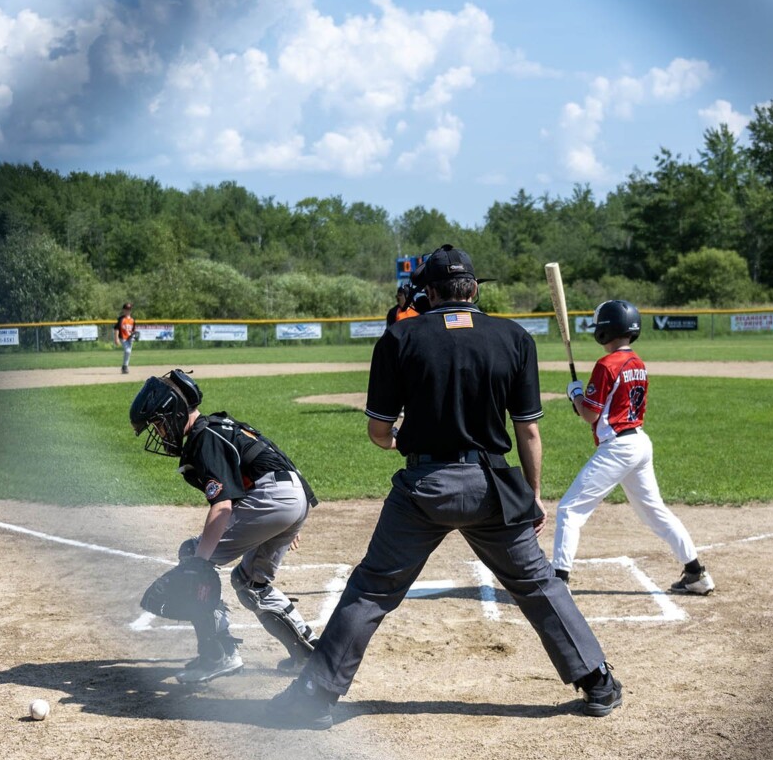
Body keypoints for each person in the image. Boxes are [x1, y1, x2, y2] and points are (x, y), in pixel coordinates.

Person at [273, 244, 620, 725]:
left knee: (372, 590)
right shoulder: (515, 337)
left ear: (429, 293)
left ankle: (314, 696)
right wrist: (534, 496)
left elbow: (378, 432)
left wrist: (407, 441)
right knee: (537, 583)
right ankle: (596, 681)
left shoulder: (400, 337)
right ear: (474, 290)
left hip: (424, 487)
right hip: (494, 487)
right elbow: (528, 431)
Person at [128, 369, 319, 683]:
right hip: (290, 496)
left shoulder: (204, 439)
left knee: (192, 555)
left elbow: (223, 504)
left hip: (273, 499)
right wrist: (286, 520)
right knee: (250, 583)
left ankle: (218, 655)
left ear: (176, 414)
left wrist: (198, 562)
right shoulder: (220, 427)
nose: (159, 433)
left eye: (159, 423)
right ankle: (309, 654)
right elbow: (275, 461)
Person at [552, 300, 713, 596]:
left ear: (606, 329)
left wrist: (574, 395)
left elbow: (589, 414)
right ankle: (695, 573)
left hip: (617, 448)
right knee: (655, 512)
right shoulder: (638, 362)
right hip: (638, 441)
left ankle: (558, 580)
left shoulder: (606, 365)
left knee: (570, 510)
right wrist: (581, 401)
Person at [114, 303, 136, 375]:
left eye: (129, 309)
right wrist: (116, 338)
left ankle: (125, 367)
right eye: (126, 309)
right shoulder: (121, 319)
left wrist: (134, 335)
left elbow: (133, 330)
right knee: (128, 351)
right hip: (123, 337)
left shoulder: (132, 320)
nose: (127, 311)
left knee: (128, 352)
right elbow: (116, 329)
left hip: (130, 338)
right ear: (123, 310)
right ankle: (125, 366)